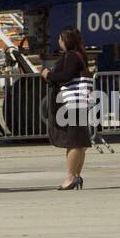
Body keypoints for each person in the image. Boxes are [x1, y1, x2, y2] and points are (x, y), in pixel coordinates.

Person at [38, 26, 92, 190]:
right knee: (80, 142)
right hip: (80, 102)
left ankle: (70, 177)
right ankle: (75, 175)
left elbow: (66, 76)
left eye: (61, 39)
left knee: (73, 142)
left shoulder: (70, 56)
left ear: (66, 41)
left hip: (72, 104)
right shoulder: (80, 55)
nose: (59, 42)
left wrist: (48, 75)